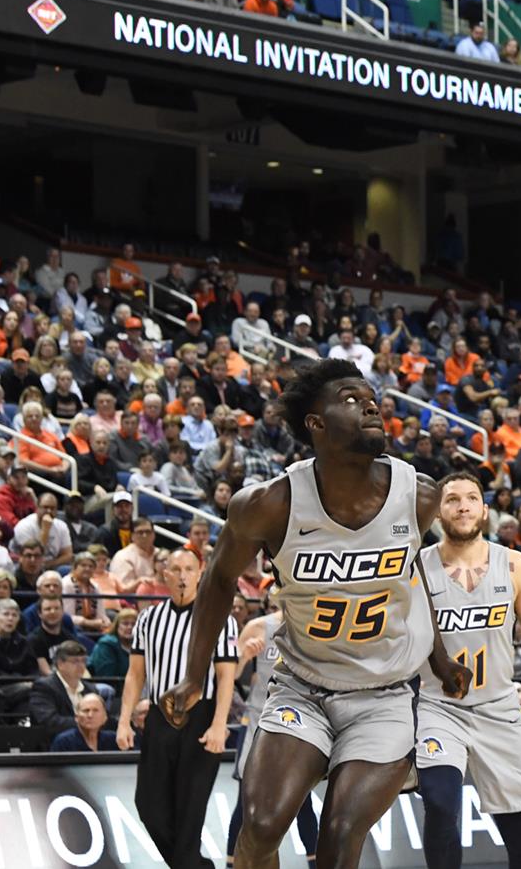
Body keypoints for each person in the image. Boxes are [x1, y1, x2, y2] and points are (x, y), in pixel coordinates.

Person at [159, 359, 468, 869]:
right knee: (258, 830)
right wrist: (194, 676)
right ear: (315, 424)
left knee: (341, 836)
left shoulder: (419, 495)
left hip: (384, 695)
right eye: (350, 398)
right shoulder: (268, 505)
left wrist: (440, 658)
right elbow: (216, 580)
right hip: (302, 686)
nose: (370, 404)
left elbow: (414, 578)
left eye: (371, 396)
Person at [413, 473, 521, 869]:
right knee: (440, 804)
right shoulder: (416, 567)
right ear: (438, 512)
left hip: (499, 707)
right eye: (452, 499)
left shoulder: (515, 565)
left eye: (472, 498)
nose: (463, 505)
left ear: (485, 510)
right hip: (439, 709)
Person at [117, 548, 238, 869]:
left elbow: (227, 677)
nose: (183, 575)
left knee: (190, 815)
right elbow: (135, 674)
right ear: (164, 575)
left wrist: (219, 725)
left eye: (189, 569)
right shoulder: (148, 619)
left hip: (202, 718)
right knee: (148, 806)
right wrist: (124, 721)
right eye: (176, 569)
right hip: (159, 718)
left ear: (200, 573)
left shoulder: (219, 618)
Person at [226, 607, 319, 865]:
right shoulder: (259, 627)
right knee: (245, 800)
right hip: (258, 719)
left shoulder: (317, 625)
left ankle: (315, 862)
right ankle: (230, 863)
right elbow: (226, 676)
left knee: (302, 800)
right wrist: (244, 657)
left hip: (298, 721)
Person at [50, 692, 116, 752]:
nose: (90, 715)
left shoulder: (113, 740)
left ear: (105, 718)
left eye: (95, 710)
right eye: (86, 710)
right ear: (76, 717)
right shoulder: (63, 742)